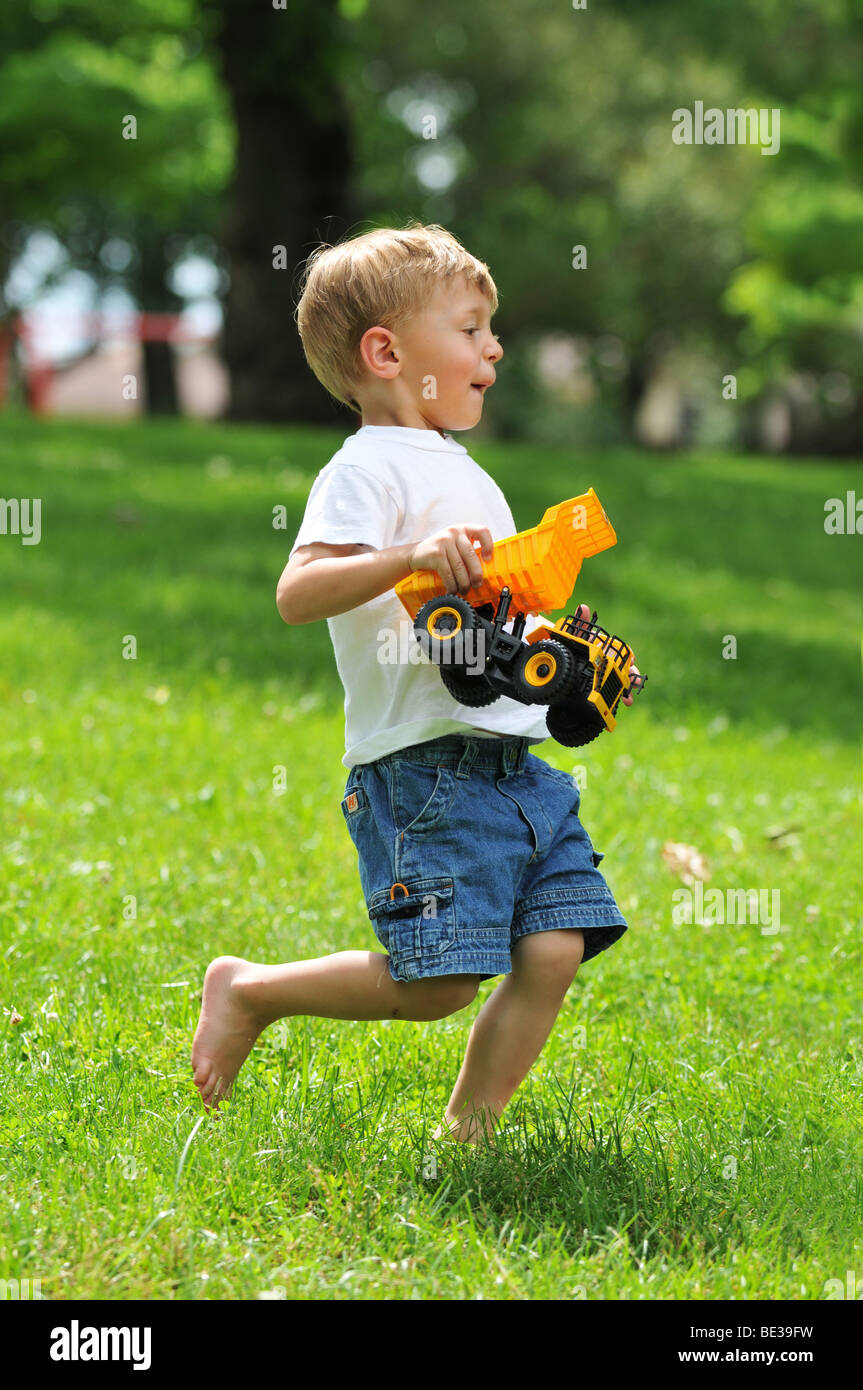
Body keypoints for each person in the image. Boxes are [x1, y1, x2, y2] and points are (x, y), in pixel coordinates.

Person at [191, 222, 639, 1146]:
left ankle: (467, 1138)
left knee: (553, 949)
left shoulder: (465, 471)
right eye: (471, 328)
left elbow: (492, 621)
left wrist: (564, 657)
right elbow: (296, 592)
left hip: (517, 767)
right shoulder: (362, 468)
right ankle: (251, 990)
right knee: (433, 985)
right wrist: (405, 555)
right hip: (424, 771)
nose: (494, 348)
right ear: (388, 352)